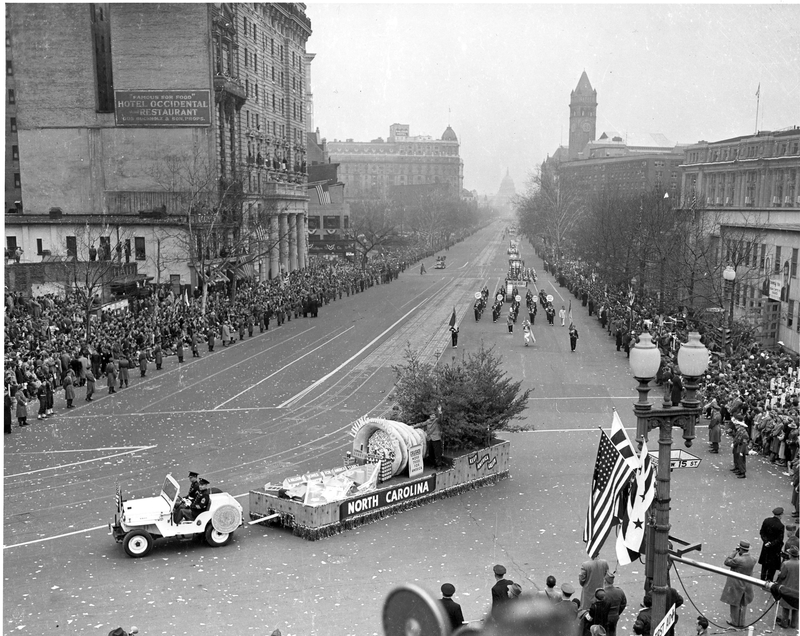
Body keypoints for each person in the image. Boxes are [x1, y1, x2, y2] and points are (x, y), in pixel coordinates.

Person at [720, 540, 757, 628]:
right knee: (743, 604)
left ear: (741, 549)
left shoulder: (738, 560)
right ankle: (742, 622)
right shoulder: (753, 559)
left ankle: (734, 622)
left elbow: (727, 562)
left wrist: (734, 552)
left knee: (734, 604)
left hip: (736, 584)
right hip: (747, 584)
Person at [758, 506, 785, 581]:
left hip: (765, 546)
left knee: (764, 563)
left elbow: (762, 532)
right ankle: (769, 580)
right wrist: (771, 543)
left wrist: (766, 542)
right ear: (781, 514)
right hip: (774, 549)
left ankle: (762, 578)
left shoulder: (766, 521)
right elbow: (780, 539)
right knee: (772, 566)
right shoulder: (780, 526)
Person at [775, 545, 799, 628]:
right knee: (796, 607)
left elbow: (782, 576)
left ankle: (784, 623)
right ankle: (794, 624)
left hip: (788, 587)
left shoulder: (786, 564)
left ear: (790, 555)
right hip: (797, 588)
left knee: (786, 606)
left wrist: (779, 574)